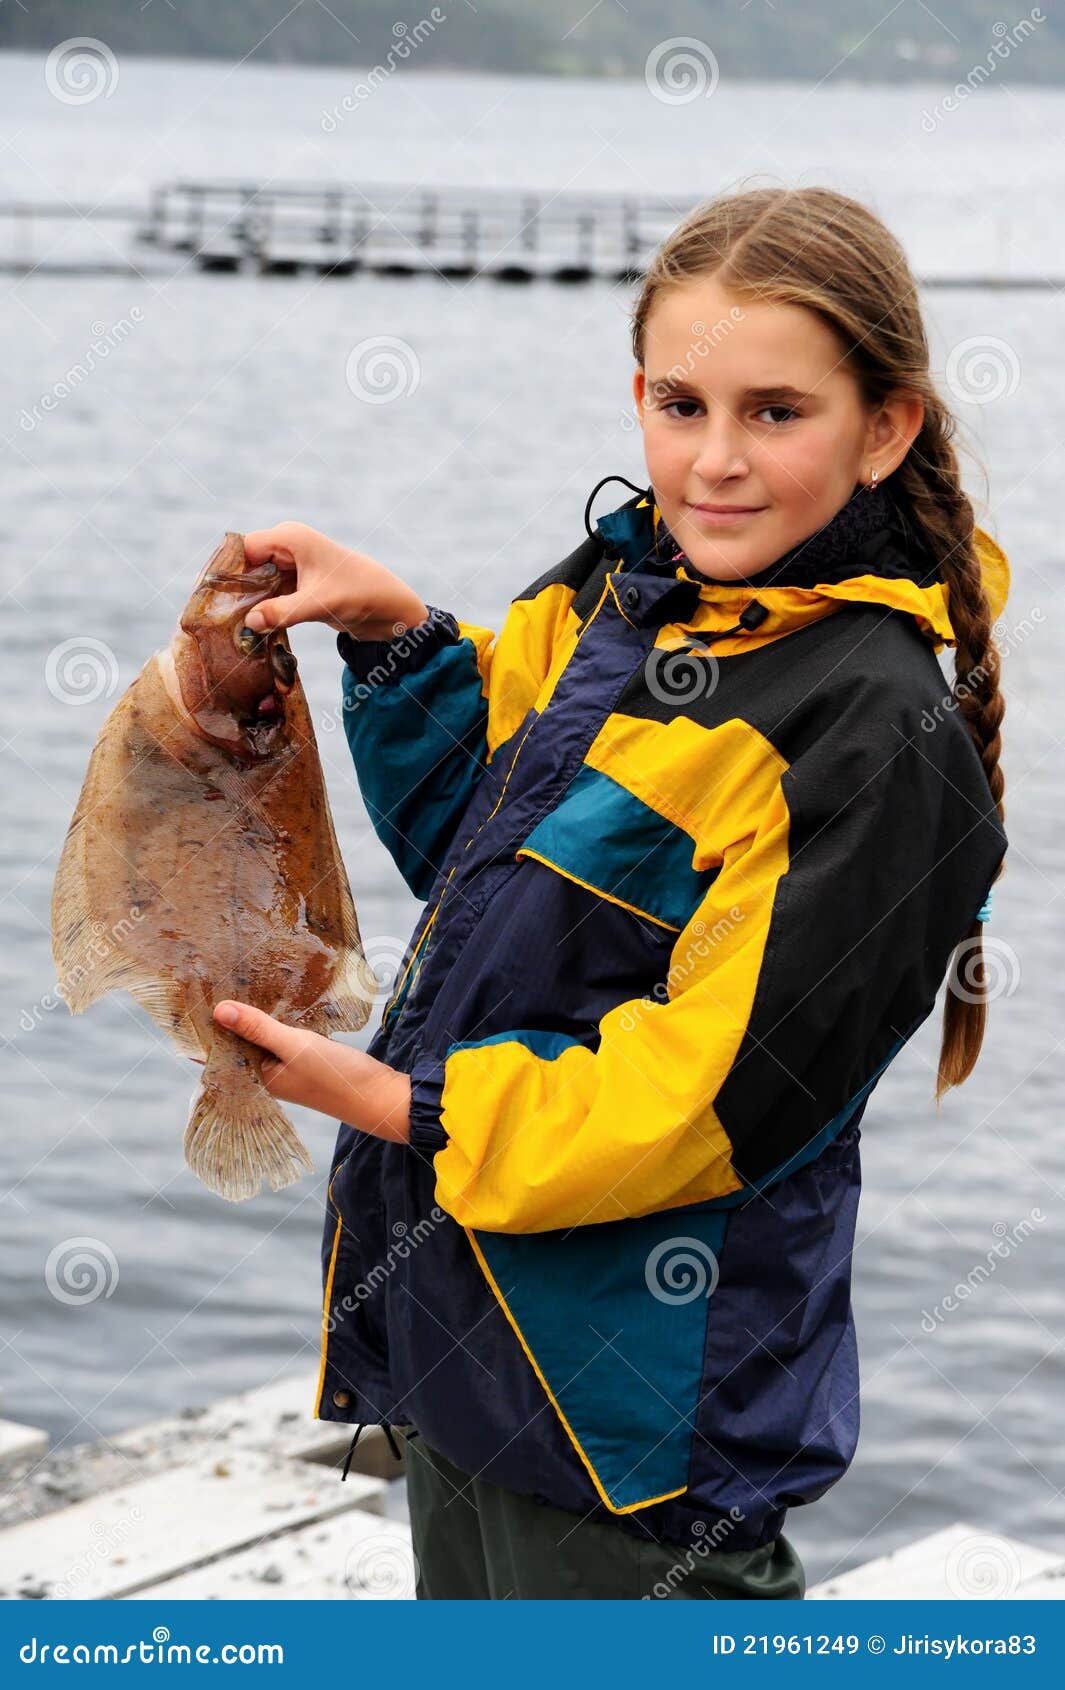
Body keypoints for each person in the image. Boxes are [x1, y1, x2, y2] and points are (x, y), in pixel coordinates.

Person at [211, 186, 1009, 1600]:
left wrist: (406, 1108)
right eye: (680, 403)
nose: (712, 461)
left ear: (883, 428)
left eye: (775, 412)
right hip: (465, 1326)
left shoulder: (875, 736)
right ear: (634, 393)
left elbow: (713, 1091)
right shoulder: (618, 590)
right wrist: (398, 642)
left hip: (635, 1414)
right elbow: (486, 849)